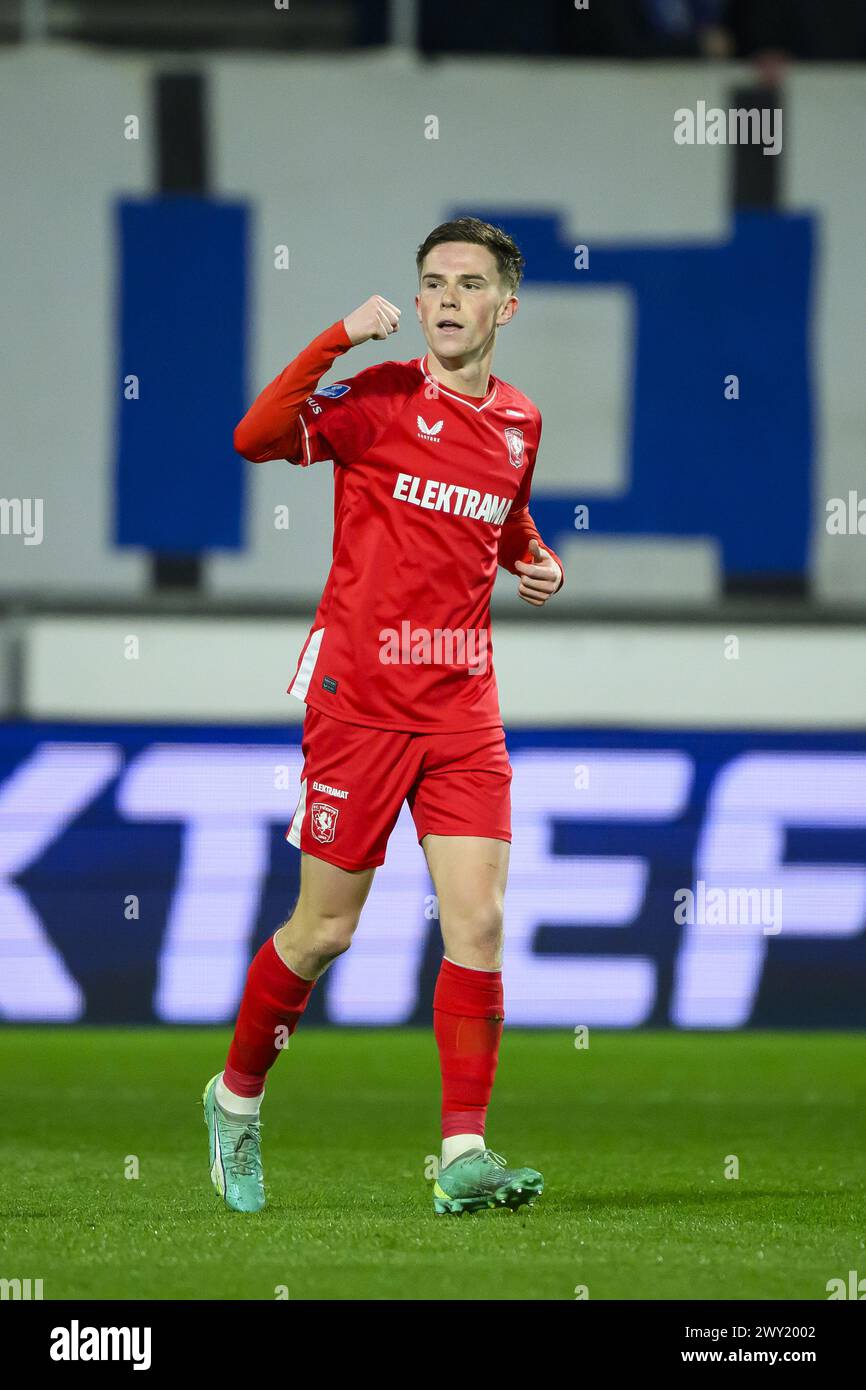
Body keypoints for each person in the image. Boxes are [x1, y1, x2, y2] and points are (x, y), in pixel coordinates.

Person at [203, 217, 565, 1215]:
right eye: (433, 282)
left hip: (460, 704)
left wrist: (531, 558)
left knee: (479, 920)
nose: (448, 298)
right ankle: (234, 1100)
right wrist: (333, 338)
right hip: (358, 704)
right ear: (415, 303)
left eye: (469, 283)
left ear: (504, 306)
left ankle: (460, 1153)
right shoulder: (377, 400)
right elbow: (253, 436)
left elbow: (500, 512)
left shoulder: (521, 421)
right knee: (323, 930)